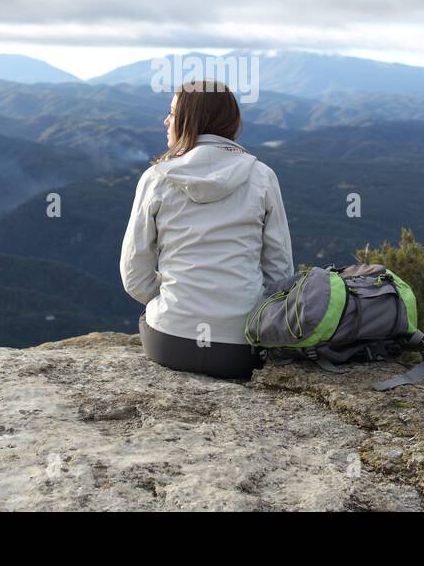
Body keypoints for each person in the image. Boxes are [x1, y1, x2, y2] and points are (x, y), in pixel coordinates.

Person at [120, 79, 294, 379]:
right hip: (242, 348)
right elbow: (280, 274)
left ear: (191, 120)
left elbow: (134, 276)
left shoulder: (156, 178)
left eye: (173, 112)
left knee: (152, 317)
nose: (166, 120)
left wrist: (174, 295)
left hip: (170, 341)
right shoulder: (263, 176)